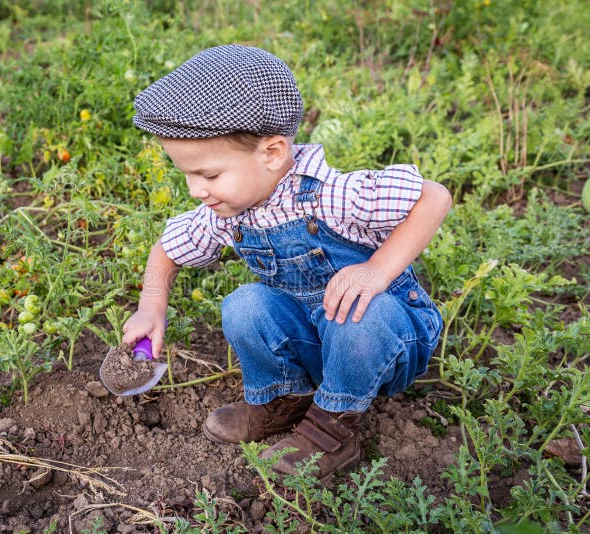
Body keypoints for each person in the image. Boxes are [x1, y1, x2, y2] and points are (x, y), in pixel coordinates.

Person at [121, 44, 451, 480]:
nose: (195, 191)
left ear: (273, 153)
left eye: (209, 175)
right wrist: (151, 306)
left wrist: (376, 269)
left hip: (383, 345)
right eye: (187, 174)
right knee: (245, 304)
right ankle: (285, 401)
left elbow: (434, 196)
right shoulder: (227, 212)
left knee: (360, 314)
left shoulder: (334, 194)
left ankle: (335, 427)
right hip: (316, 343)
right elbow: (168, 248)